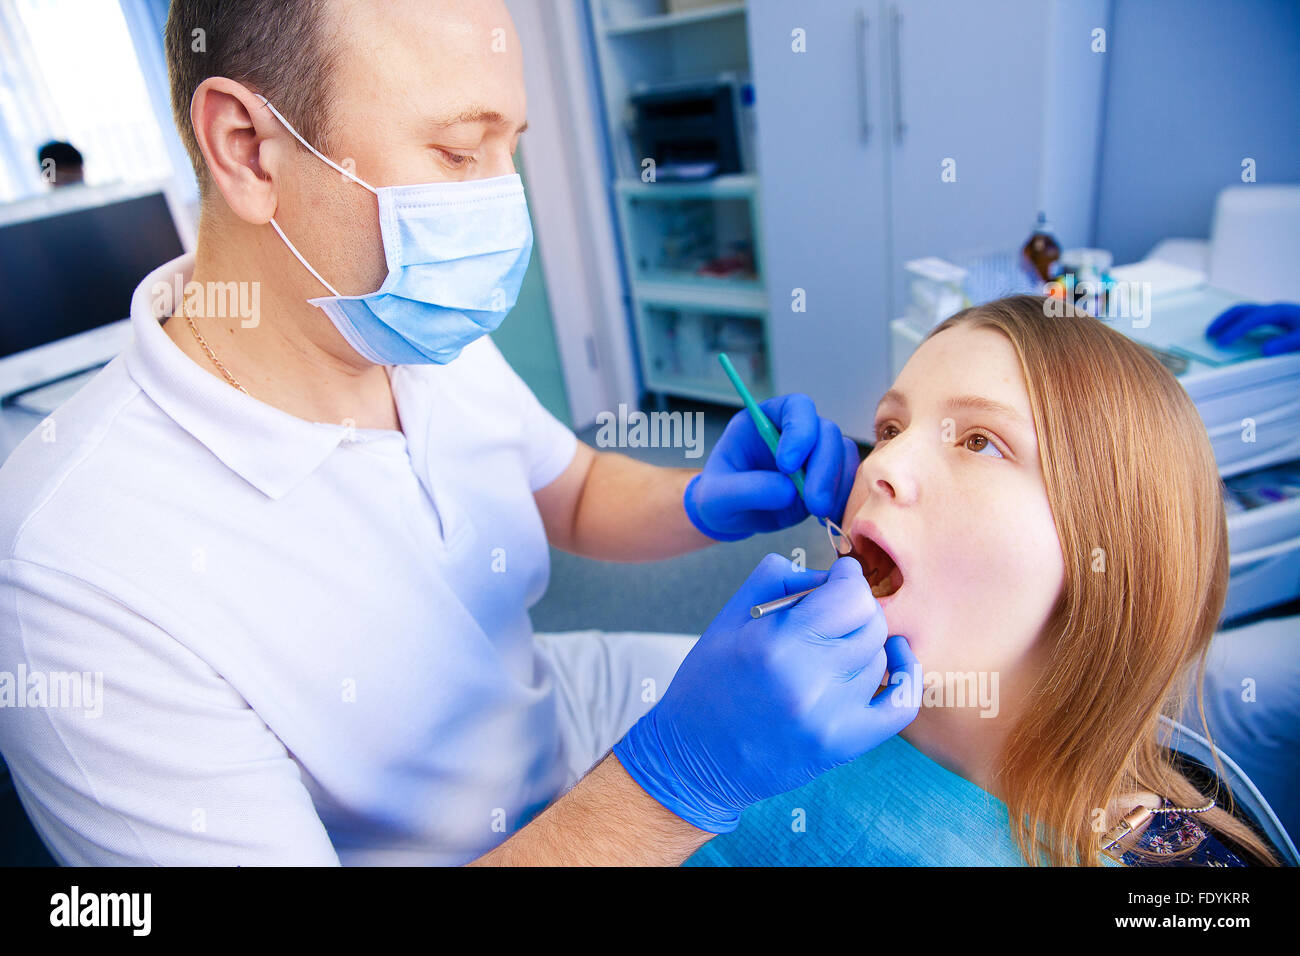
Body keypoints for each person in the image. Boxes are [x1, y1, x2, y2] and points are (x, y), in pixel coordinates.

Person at [0, 0, 917, 866]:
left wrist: (701, 502)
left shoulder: (404, 326)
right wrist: (679, 782)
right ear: (248, 149)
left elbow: (577, 490)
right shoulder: (75, 573)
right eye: (455, 153)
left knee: (894, 758)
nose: (505, 211)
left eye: (508, 149)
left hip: (561, 719)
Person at [689, 295, 1284, 866]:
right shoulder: (764, 718)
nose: (880, 465)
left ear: (1114, 555)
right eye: (892, 428)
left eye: (980, 442)